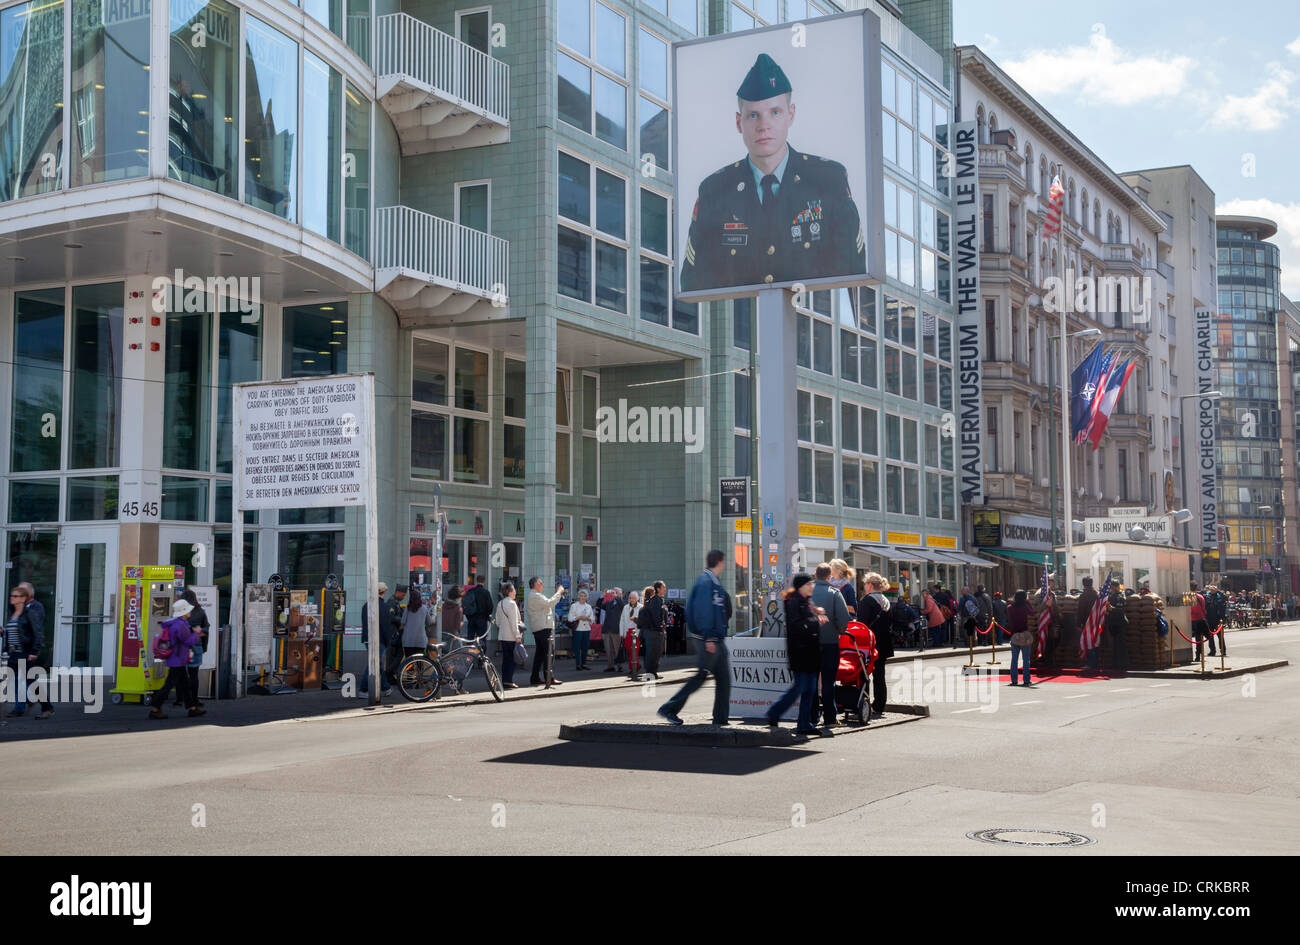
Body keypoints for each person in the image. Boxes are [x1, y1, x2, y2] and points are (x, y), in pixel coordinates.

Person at [678, 53, 865, 293]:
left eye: (775, 112)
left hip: (810, 326)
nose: (763, 125)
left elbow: (853, 277)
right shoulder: (715, 191)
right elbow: (694, 284)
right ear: (739, 122)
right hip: (744, 328)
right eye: (753, 115)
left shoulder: (828, 180)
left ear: (791, 114)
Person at [658, 550, 730, 726]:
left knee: (724, 679)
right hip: (709, 639)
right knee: (700, 676)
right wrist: (710, 638)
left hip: (714, 638)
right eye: (724, 562)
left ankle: (720, 719)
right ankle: (669, 709)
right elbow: (705, 612)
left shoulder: (711, 581)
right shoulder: (706, 582)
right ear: (720, 562)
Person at [766, 574, 829, 738]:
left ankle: (804, 724)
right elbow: (796, 626)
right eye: (809, 583)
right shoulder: (794, 601)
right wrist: (817, 620)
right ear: (801, 585)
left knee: (809, 689)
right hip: (800, 651)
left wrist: (816, 614)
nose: (812, 586)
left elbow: (806, 620)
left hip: (809, 652)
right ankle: (774, 712)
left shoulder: (805, 600)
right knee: (800, 688)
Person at [148, 599, 205, 719]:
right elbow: (188, 641)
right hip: (178, 659)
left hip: (176, 658)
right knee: (169, 685)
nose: (190, 612)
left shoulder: (175, 623)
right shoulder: (180, 625)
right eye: (189, 610)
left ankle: (192, 708)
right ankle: (155, 708)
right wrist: (197, 633)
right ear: (184, 612)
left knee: (184, 684)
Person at [5, 584, 54, 718]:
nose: (12, 598)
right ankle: (23, 704)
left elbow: (37, 633)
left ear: (23, 598)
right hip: (14, 653)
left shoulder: (30, 612)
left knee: (30, 681)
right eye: (12, 595)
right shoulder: (13, 612)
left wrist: (34, 651)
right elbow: (14, 632)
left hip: (26, 653)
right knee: (12, 679)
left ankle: (47, 707)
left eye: (15, 596)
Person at [811, 563, 849, 727]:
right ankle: (830, 717)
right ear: (829, 577)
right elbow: (843, 620)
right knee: (828, 681)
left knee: (811, 680)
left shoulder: (806, 593)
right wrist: (839, 631)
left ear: (815, 575)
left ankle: (811, 717)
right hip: (829, 643)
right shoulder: (834, 593)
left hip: (809, 644)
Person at [856, 572, 893, 718]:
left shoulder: (867, 601)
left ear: (870, 585)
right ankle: (879, 704)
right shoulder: (886, 600)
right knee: (880, 674)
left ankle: (864, 702)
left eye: (865, 584)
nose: (864, 587)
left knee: (864, 674)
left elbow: (862, 624)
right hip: (884, 643)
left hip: (869, 644)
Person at [526, 578, 566, 686]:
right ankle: (549, 678)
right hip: (543, 628)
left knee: (540, 654)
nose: (542, 584)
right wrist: (559, 592)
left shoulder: (535, 595)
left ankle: (535, 678)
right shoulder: (535, 595)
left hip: (540, 627)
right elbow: (550, 603)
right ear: (535, 585)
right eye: (540, 583)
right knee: (549, 653)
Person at [359, 582, 393, 696]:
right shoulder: (383, 607)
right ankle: (363, 689)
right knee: (374, 664)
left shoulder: (366, 605)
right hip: (379, 640)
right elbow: (386, 627)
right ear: (384, 592)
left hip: (367, 639)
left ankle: (385, 688)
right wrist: (388, 641)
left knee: (376, 664)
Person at [493, 582, 522, 690]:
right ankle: (509, 681)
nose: (515, 592)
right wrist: (517, 635)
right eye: (514, 590)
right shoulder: (512, 604)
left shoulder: (500, 603)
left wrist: (503, 627)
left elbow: (498, 622)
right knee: (511, 660)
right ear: (509, 592)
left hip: (503, 635)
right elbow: (514, 622)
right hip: (511, 636)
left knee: (506, 659)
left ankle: (505, 680)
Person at [1006, 590, 1034, 687]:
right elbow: (1032, 613)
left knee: (1014, 659)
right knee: (1026, 659)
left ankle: (1014, 680)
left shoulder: (1010, 608)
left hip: (1014, 635)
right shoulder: (1025, 606)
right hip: (1024, 634)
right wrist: (1028, 602)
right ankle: (1026, 680)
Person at [642, 581, 668, 679]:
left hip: (655, 630)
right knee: (652, 653)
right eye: (663, 587)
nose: (665, 589)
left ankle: (653, 672)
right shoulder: (656, 600)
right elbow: (655, 616)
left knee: (656, 653)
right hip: (653, 631)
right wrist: (660, 628)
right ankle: (650, 673)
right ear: (658, 589)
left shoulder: (659, 599)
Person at [401, 592, 432, 662]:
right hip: (420, 640)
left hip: (408, 640)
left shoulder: (407, 609)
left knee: (408, 662)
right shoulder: (424, 608)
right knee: (420, 661)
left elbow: (402, 621)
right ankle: (420, 672)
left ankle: (410, 671)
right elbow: (429, 622)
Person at [1076, 577, 1100, 671]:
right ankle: (1096, 663)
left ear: (1083, 584)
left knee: (1088, 643)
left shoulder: (1084, 595)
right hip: (1096, 623)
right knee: (1095, 642)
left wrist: (1078, 624)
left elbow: (1081, 611)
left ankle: (1090, 664)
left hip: (1087, 623)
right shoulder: (1097, 594)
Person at [599, 588, 624, 673]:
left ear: (620, 594)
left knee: (617, 649)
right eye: (613, 592)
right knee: (608, 649)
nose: (613, 594)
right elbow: (600, 605)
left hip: (616, 629)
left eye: (616, 592)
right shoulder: (609, 602)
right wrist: (602, 596)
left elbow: (622, 605)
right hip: (607, 629)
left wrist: (616, 596)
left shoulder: (621, 602)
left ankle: (619, 666)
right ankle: (610, 666)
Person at [568, 589, 594, 671]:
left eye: (584, 596)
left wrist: (588, 618)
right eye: (581, 596)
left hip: (586, 628)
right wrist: (578, 617)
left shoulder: (589, 606)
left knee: (585, 647)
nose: (583, 597)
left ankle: (584, 664)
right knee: (577, 647)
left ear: (586, 597)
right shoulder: (574, 606)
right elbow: (570, 618)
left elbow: (592, 619)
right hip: (578, 629)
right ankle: (578, 664)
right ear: (578, 597)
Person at [462, 574, 494, 639]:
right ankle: (482, 649)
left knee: (470, 638)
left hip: (471, 618)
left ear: (476, 581)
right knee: (482, 638)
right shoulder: (486, 592)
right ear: (484, 582)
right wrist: (487, 616)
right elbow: (490, 606)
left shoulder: (471, 591)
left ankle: (470, 648)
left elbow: (466, 605)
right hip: (482, 618)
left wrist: (469, 616)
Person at [1106, 589, 1129, 677]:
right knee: (1115, 646)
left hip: (1119, 623)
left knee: (1120, 645)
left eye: (1110, 587)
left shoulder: (1120, 596)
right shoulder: (1111, 596)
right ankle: (1116, 664)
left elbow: (1120, 610)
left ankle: (1122, 665)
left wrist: (1111, 608)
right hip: (1113, 624)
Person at [621, 589, 643, 680]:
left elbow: (642, 620)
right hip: (627, 630)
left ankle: (633, 668)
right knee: (629, 650)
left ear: (637, 599)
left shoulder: (641, 607)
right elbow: (621, 620)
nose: (631, 599)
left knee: (635, 650)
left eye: (633, 598)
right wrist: (621, 632)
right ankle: (637, 665)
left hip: (636, 631)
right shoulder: (626, 607)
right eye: (630, 598)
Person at [1189, 580, 1213, 659]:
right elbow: (1203, 608)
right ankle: (1198, 655)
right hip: (1201, 619)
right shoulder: (1201, 597)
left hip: (1192, 620)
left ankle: (1197, 655)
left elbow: (1190, 610)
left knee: (1194, 638)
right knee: (1199, 638)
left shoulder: (1189, 597)